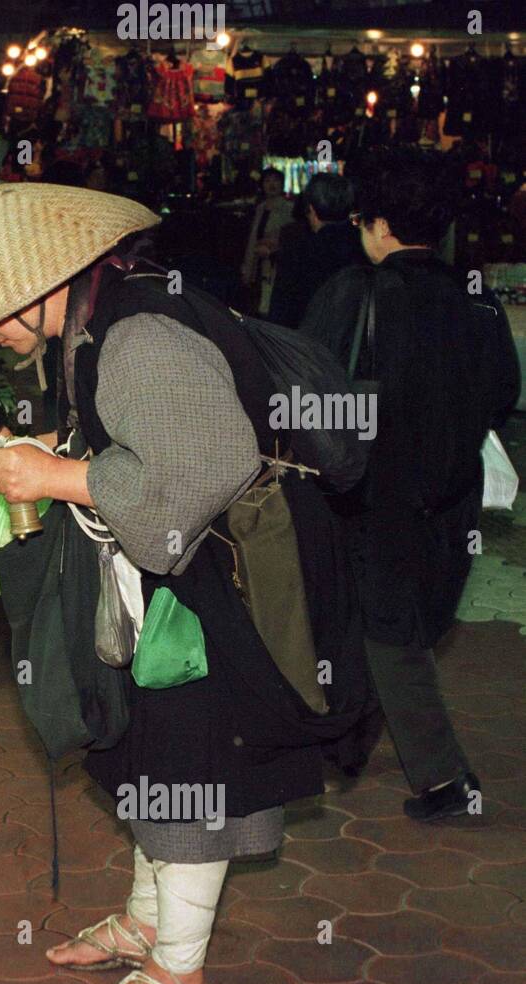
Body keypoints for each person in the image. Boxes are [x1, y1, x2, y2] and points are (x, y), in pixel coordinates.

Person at [0, 184, 368, 984]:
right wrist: (28, 452)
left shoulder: (138, 334)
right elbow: (131, 446)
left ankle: (180, 974)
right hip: (185, 572)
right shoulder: (96, 321)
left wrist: (51, 477)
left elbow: (201, 467)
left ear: (47, 281)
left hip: (224, 581)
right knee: (148, 743)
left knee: (194, 764)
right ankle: (150, 924)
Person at [301, 149, 520, 821]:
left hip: (369, 496)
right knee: (384, 625)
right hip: (452, 502)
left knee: (388, 634)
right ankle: (341, 746)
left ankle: (445, 778)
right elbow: (501, 396)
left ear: (381, 226)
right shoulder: (476, 303)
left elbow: (306, 383)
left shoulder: (356, 292)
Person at [267, 173, 365, 328]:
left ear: (311, 209)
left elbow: (282, 313)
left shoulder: (299, 253)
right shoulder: (364, 248)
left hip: (308, 342)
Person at [240, 167, 292, 314]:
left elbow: (287, 239)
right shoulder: (260, 208)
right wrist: (247, 267)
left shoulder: (288, 209)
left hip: (274, 266)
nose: (272, 185)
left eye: (276, 181)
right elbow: (252, 239)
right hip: (257, 265)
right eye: (268, 181)